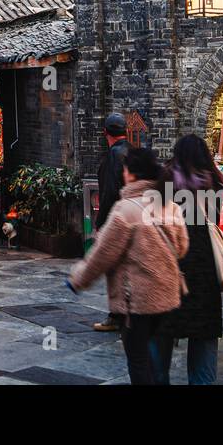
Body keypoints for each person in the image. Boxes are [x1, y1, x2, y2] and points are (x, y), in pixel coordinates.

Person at [66, 146, 187, 384]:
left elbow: (102, 254)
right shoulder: (170, 205)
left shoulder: (125, 210)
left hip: (138, 303)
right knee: (160, 367)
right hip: (169, 298)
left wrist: (77, 279)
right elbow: (182, 247)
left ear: (131, 173)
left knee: (140, 363)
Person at [151, 134, 223, 385]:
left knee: (160, 339)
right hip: (205, 270)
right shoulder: (215, 183)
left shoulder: (164, 182)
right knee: (204, 340)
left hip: (170, 270)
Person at [92, 112, 129, 332]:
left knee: (114, 269)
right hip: (134, 218)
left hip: (116, 220)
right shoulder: (132, 153)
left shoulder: (113, 156)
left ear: (106, 133)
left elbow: (108, 192)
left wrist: (100, 222)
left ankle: (117, 314)